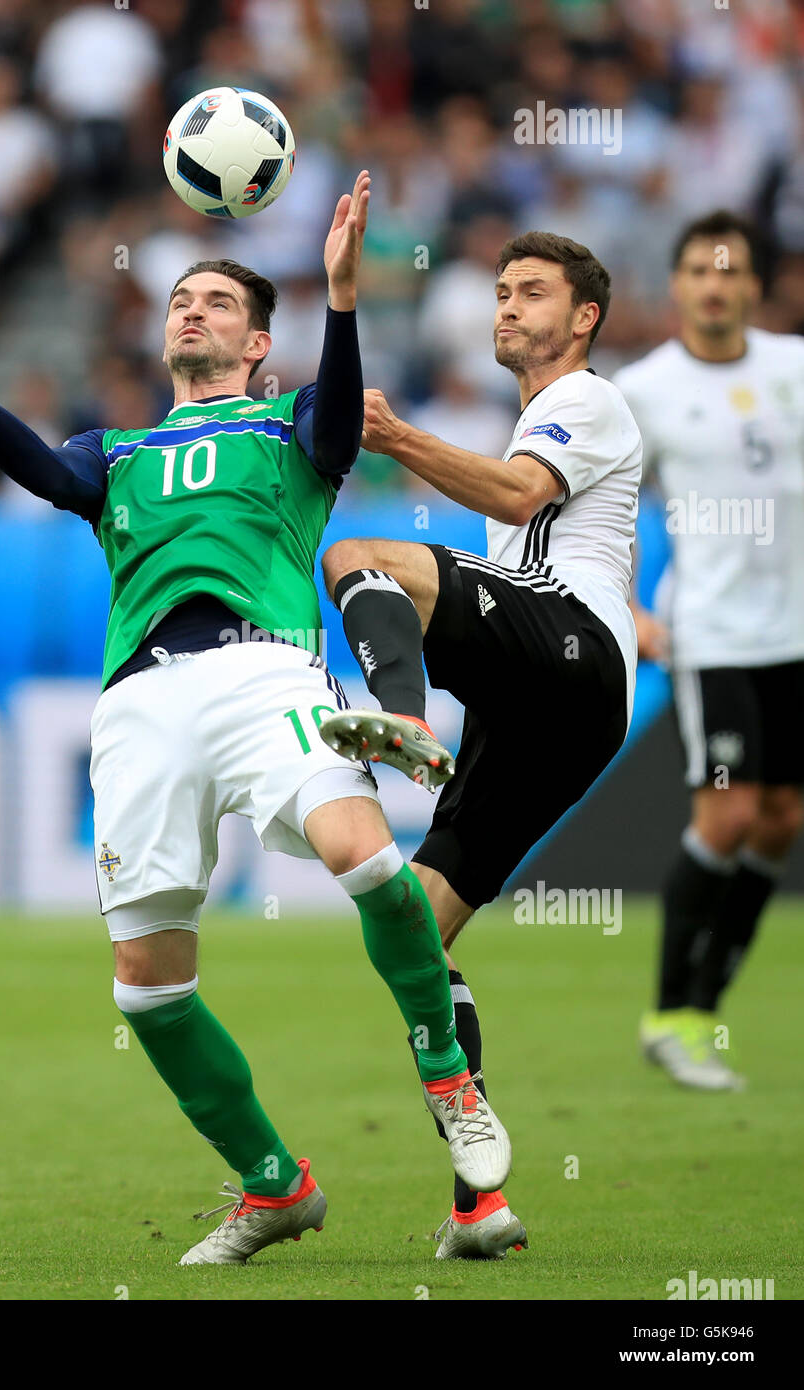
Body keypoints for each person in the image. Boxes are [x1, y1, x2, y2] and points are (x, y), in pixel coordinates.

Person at [0, 172, 511, 1267]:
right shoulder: (116, 454)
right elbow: (35, 469)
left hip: (266, 675)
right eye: (181, 301)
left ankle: (449, 1076)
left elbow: (343, 424)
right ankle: (274, 1185)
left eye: (216, 303)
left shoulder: (292, 424)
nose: (190, 311)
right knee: (147, 989)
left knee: (372, 865)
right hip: (141, 706)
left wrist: (341, 302)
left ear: (259, 344)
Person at [319, 231, 640, 1259]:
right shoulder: (543, 413)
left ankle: (404, 718)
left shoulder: (583, 398)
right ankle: (480, 1200)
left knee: (361, 555)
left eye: (530, 292)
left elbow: (517, 498)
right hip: (555, 709)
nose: (505, 306)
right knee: (409, 930)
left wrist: (398, 438)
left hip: (572, 654)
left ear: (583, 317)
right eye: (500, 291)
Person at [615, 210, 804, 1091]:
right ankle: (672, 1015)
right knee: (726, 817)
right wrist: (628, 607)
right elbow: (597, 507)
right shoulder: (646, 390)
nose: (715, 284)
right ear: (680, 285)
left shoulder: (794, 369)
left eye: (730, 270)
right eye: (698, 270)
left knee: (781, 821)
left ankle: (706, 1001)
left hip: (796, 634)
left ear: (756, 285)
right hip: (716, 634)